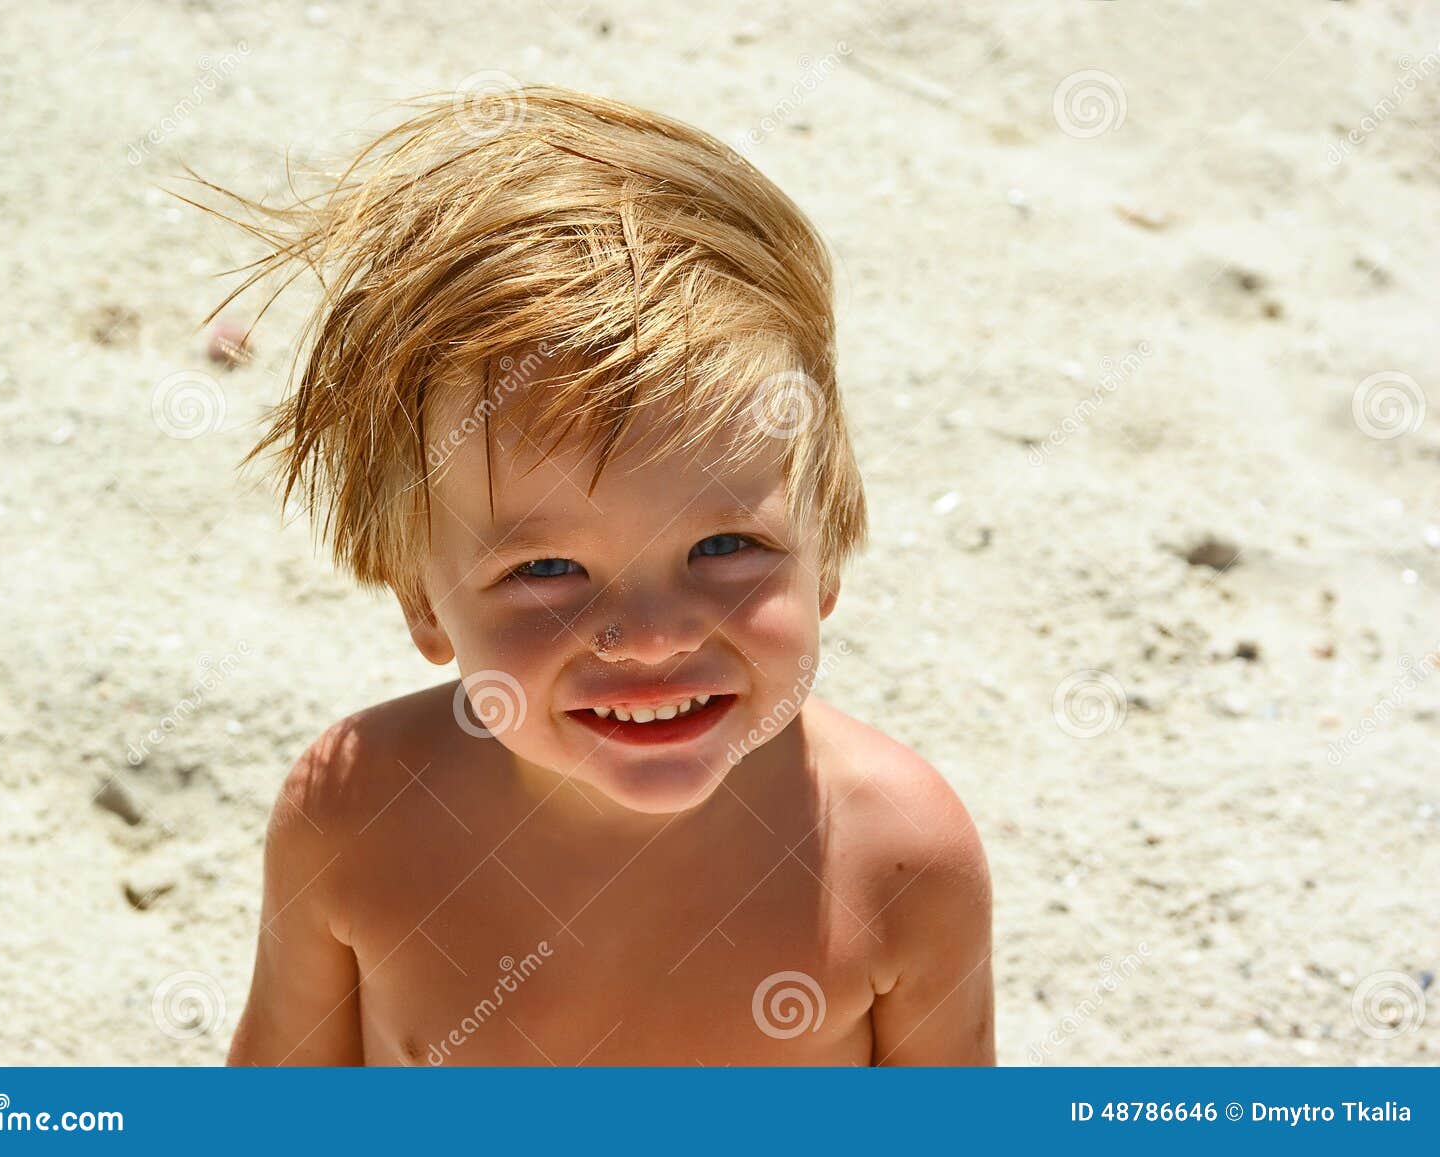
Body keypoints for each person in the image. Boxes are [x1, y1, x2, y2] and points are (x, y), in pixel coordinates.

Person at [201, 85, 993, 1065]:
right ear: (421, 598)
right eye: (547, 567)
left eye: (723, 548)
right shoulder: (356, 813)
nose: (654, 634)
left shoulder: (900, 853)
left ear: (823, 545)